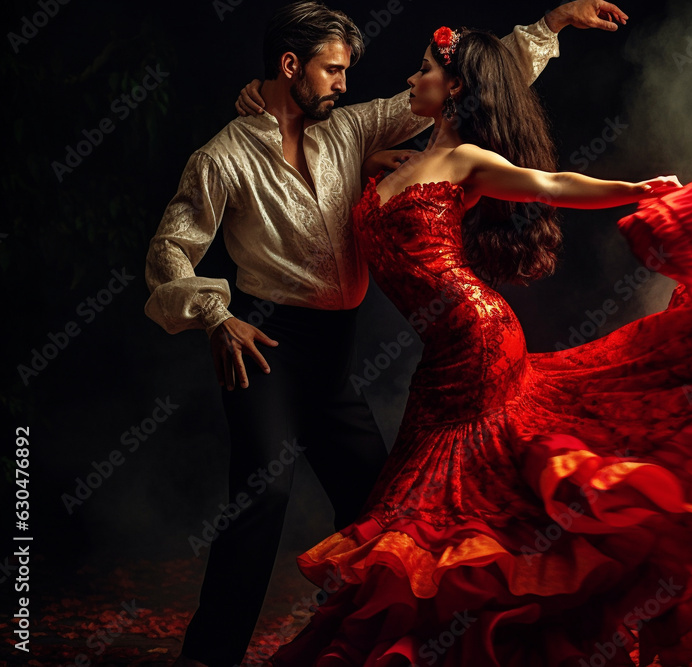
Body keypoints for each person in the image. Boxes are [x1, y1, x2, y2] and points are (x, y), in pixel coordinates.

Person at [264, 26, 692, 667]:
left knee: (453, 506)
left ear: (454, 86)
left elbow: (552, 184)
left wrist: (635, 192)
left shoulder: (466, 163)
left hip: (479, 337)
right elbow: (319, 146)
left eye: (421, 70)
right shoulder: (396, 160)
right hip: (446, 351)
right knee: (443, 506)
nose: (409, 80)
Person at [143, 2, 629, 666]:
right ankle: (209, 655)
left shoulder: (350, 130)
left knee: (381, 506)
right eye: (334, 70)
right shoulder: (222, 157)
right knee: (264, 493)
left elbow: (472, 80)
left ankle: (387, 648)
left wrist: (551, 27)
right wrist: (215, 315)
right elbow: (170, 251)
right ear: (291, 66)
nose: (345, 84)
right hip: (266, 343)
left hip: (333, 353)